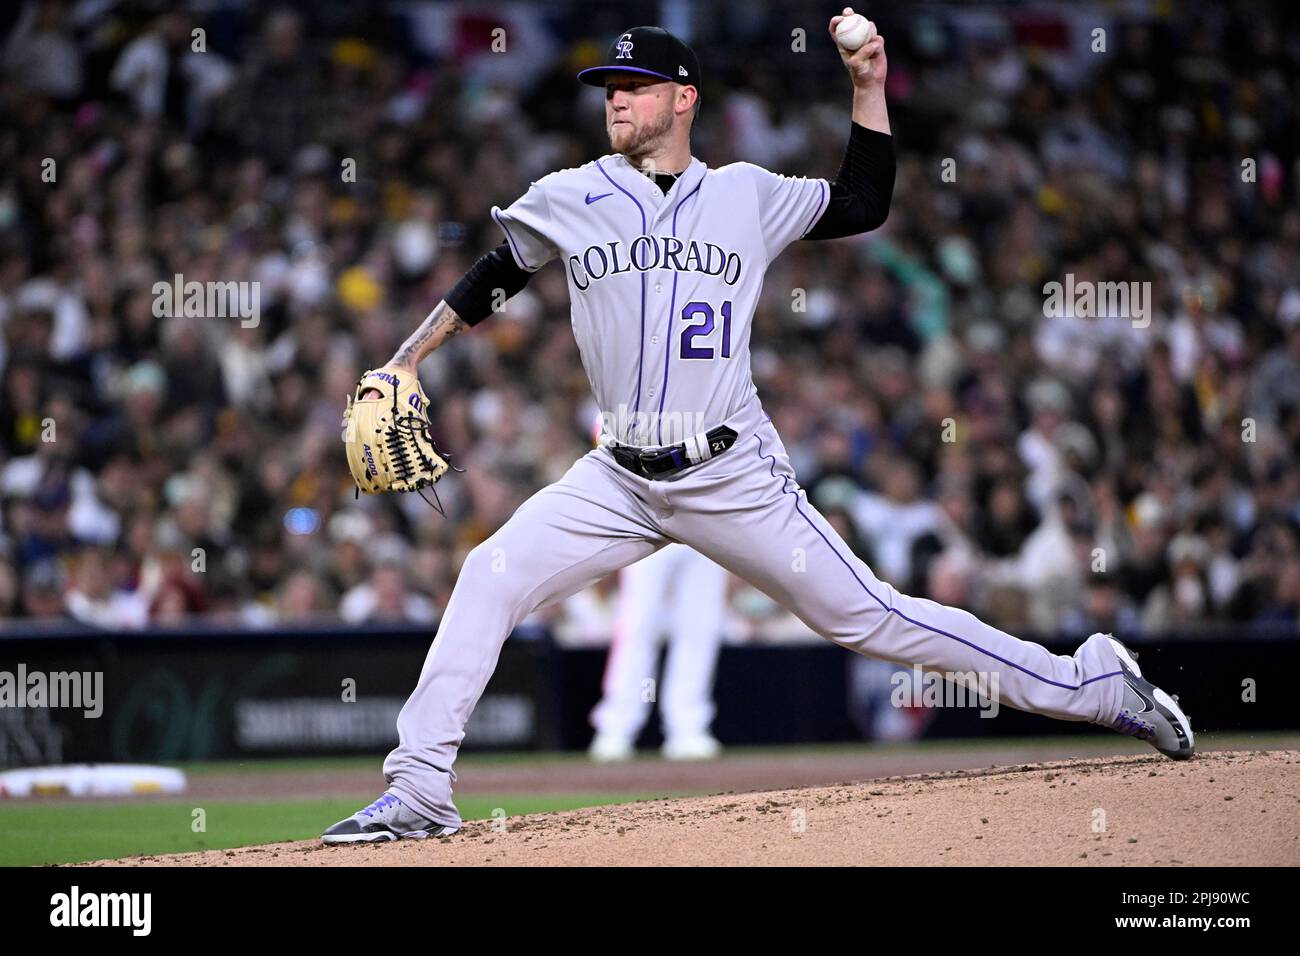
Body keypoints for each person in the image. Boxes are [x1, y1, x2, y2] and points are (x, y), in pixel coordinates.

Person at [323, 12, 1193, 846]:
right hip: (618, 476)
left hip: (731, 472)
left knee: (874, 620)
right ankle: (420, 788)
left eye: (636, 84)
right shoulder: (571, 195)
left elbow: (861, 202)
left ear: (684, 98)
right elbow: (492, 275)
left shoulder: (745, 195)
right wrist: (406, 357)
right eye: (608, 87)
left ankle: (1096, 684)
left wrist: (869, 86)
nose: (616, 99)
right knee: (488, 574)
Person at [588, 544, 729, 762]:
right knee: (638, 626)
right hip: (652, 523)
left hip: (706, 530)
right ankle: (617, 728)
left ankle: (688, 727)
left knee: (700, 627)